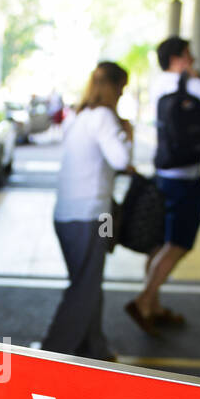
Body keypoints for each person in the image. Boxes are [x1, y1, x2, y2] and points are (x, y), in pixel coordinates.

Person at [128, 36, 200, 335]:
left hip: (164, 171)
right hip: (187, 178)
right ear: (179, 57)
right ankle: (144, 301)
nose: (193, 60)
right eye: (190, 54)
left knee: (160, 242)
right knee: (178, 244)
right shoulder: (192, 84)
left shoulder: (158, 83)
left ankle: (154, 306)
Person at [41, 62, 134, 361]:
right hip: (91, 215)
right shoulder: (105, 117)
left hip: (66, 214)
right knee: (85, 288)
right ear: (114, 88)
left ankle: (94, 347)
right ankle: (51, 354)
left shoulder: (77, 117)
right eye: (122, 89)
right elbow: (121, 160)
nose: (122, 95)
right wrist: (127, 133)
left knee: (87, 284)